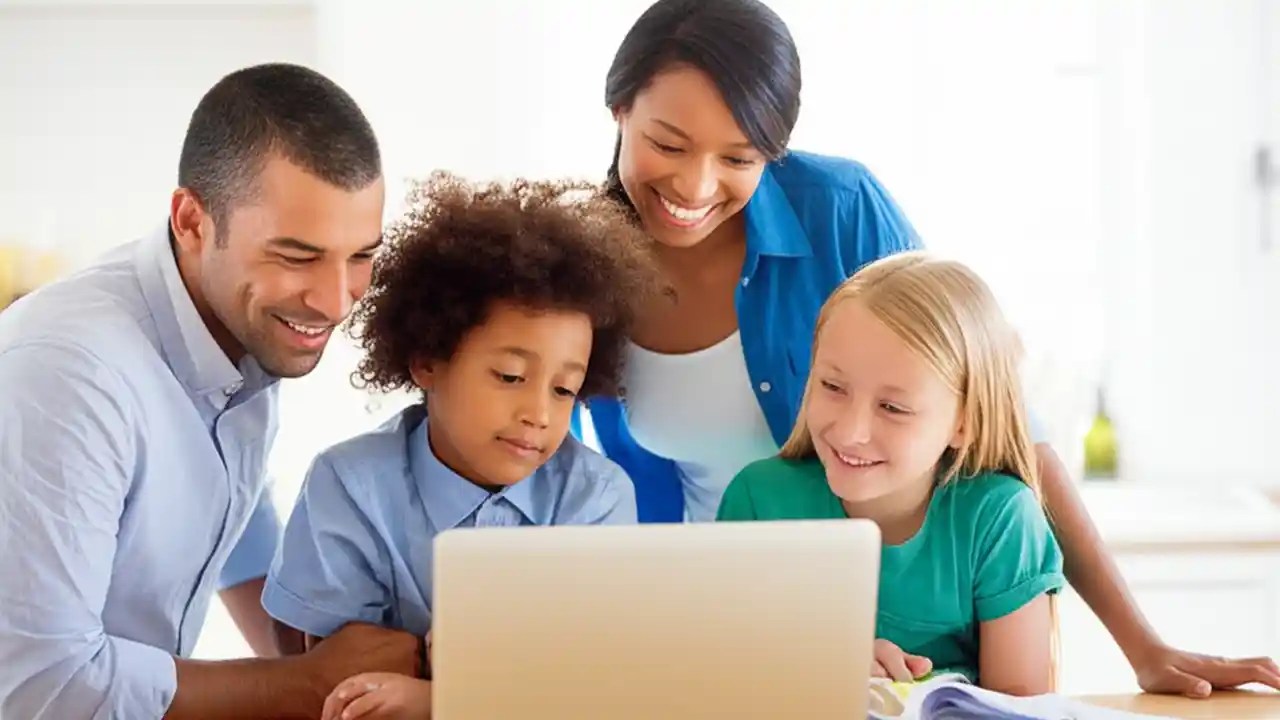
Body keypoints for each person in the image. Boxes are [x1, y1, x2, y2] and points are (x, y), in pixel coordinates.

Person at [578, 0, 1280, 697]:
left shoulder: (840, 208)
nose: (694, 186)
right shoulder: (577, 262)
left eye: (739, 157)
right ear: (619, 111)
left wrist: (1143, 647)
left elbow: (1005, 425)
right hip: (723, 621)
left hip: (884, 613)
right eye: (668, 144)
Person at [0, 63, 420, 719]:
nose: (336, 300)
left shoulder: (237, 323)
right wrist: (306, 683)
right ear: (193, 220)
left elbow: (235, 514)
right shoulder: (68, 375)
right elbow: (39, 685)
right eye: (297, 255)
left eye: (361, 255)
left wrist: (333, 676)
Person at [265, 174, 659, 720]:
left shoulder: (597, 497)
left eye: (565, 389)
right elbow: (341, 680)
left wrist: (439, 702)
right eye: (509, 375)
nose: (539, 415)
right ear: (429, 360)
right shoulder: (350, 485)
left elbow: (599, 684)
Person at [719, 253, 1065, 694]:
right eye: (832, 386)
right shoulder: (758, 500)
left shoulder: (998, 519)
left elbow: (1018, 708)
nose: (850, 431)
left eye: (893, 408)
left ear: (965, 422)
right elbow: (722, 684)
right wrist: (824, 669)